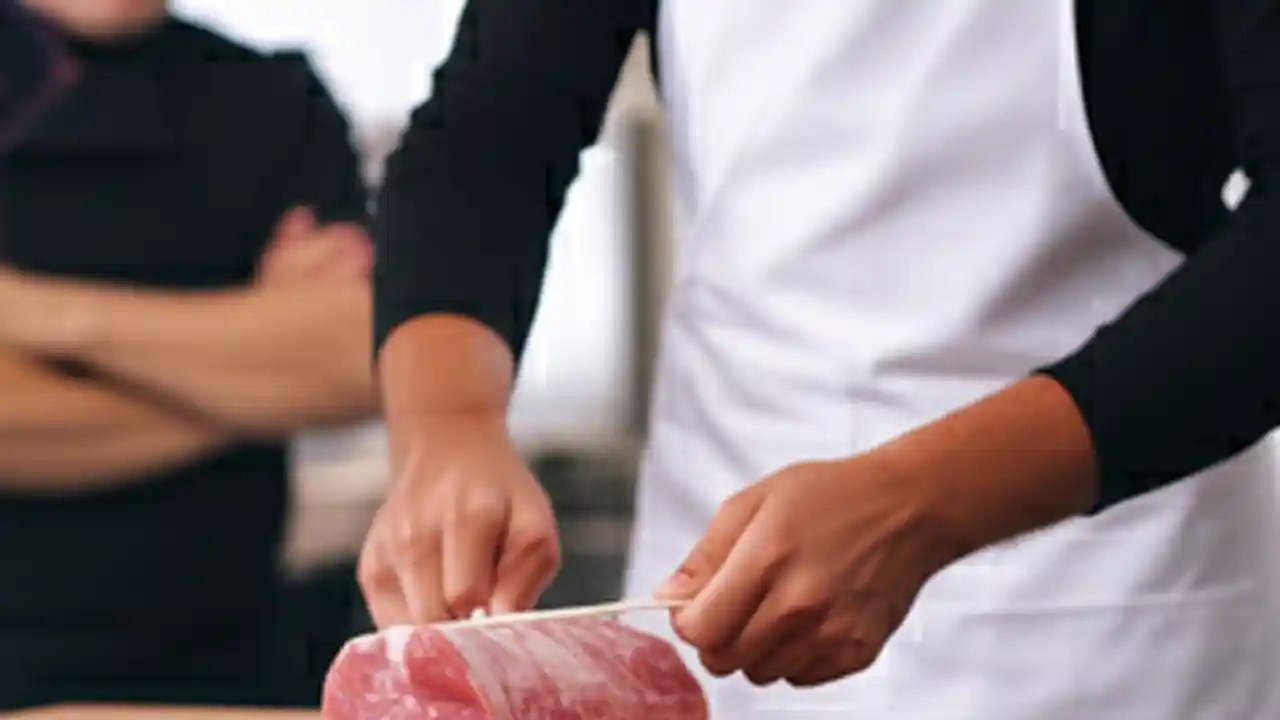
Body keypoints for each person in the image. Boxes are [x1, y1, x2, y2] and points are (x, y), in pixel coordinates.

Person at [365, 1, 1279, 718]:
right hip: (715, 603)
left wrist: (923, 502)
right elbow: (487, 134)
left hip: (1112, 620)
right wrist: (448, 429)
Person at [0, 0, 376, 710]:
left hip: (232, 662)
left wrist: (33, 313)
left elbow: (362, 358)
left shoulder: (269, 94)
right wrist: (259, 376)